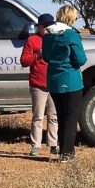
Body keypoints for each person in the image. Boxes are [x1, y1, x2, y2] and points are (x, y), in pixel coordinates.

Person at [40, 4, 87, 161]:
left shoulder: (47, 36)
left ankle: (65, 151)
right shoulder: (72, 35)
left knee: (61, 116)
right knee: (71, 117)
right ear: (71, 18)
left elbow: (46, 57)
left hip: (54, 81)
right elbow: (80, 59)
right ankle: (67, 153)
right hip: (71, 80)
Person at [20, 12, 59, 158]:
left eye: (50, 25)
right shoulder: (32, 40)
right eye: (45, 26)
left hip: (54, 83)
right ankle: (35, 146)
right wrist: (38, 54)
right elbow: (24, 61)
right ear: (39, 27)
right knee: (38, 116)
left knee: (54, 116)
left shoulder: (56, 39)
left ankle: (53, 145)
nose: (48, 28)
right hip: (38, 84)